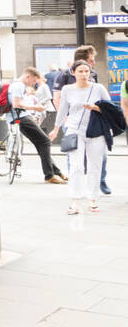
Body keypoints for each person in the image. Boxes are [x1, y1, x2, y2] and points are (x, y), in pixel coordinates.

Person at [48, 59, 110, 214]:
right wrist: (55, 129)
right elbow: (62, 110)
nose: (84, 74)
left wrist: (95, 107)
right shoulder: (67, 89)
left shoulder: (98, 88)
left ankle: (92, 200)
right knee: (76, 166)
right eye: (80, 71)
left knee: (95, 166)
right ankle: (75, 201)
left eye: (86, 71)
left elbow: (110, 109)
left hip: (96, 131)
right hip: (74, 130)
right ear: (73, 73)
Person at [8, 67, 64, 183]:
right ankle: (49, 175)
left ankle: (56, 172)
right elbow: (16, 104)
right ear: (28, 76)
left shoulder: (16, 85)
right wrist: (36, 107)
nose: (33, 84)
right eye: (33, 81)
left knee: (40, 143)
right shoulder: (18, 86)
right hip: (21, 118)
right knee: (45, 141)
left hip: (19, 117)